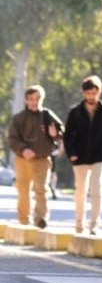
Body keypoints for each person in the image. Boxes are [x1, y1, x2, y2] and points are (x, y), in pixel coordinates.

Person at [64, 75, 102, 235]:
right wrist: (71, 153)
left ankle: (94, 225)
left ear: (99, 92)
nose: (91, 97)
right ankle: (79, 223)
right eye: (88, 94)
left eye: (94, 93)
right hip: (79, 157)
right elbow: (68, 136)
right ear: (83, 93)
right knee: (80, 191)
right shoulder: (75, 112)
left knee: (96, 190)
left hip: (98, 157)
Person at [7, 85, 64, 228]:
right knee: (23, 189)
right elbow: (12, 139)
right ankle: (23, 219)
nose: (34, 101)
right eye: (31, 99)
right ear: (26, 100)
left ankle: (40, 219)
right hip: (22, 159)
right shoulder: (19, 118)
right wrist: (23, 149)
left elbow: (61, 130)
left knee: (41, 189)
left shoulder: (47, 115)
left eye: (37, 98)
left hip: (42, 159)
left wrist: (55, 134)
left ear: (42, 99)